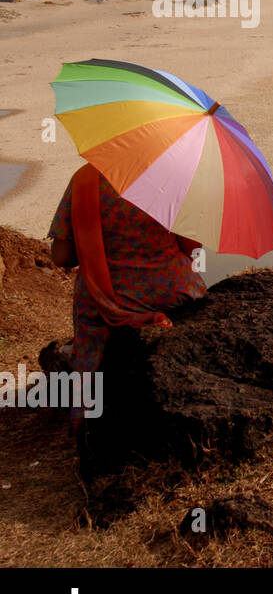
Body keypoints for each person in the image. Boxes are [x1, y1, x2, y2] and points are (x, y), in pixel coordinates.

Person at [48, 164, 208, 446]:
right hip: (171, 291)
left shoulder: (84, 180)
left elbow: (61, 256)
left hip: (105, 296)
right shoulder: (172, 177)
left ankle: (86, 414)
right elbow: (193, 250)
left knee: (88, 332)